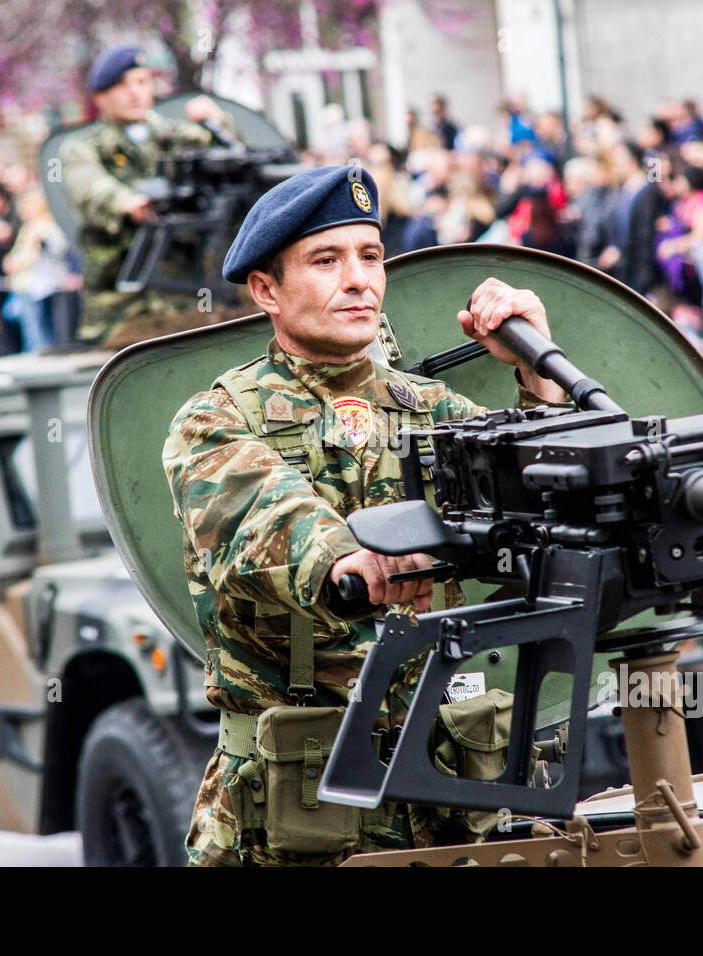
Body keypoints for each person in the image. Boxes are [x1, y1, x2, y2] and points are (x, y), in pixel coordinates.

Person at [162, 165, 565, 866]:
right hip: (300, 814)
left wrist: (540, 375)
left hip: (453, 802)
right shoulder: (215, 420)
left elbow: (547, 508)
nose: (359, 280)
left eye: (370, 256)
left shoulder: (433, 410)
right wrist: (352, 559)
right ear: (266, 290)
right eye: (326, 260)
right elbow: (266, 518)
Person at [61, 45, 237, 345]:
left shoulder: (180, 137)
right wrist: (127, 202)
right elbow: (90, 186)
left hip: (187, 303)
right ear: (100, 96)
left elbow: (232, 157)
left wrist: (219, 121)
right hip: (121, 311)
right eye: (122, 85)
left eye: (142, 82)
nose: (134, 93)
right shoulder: (83, 148)